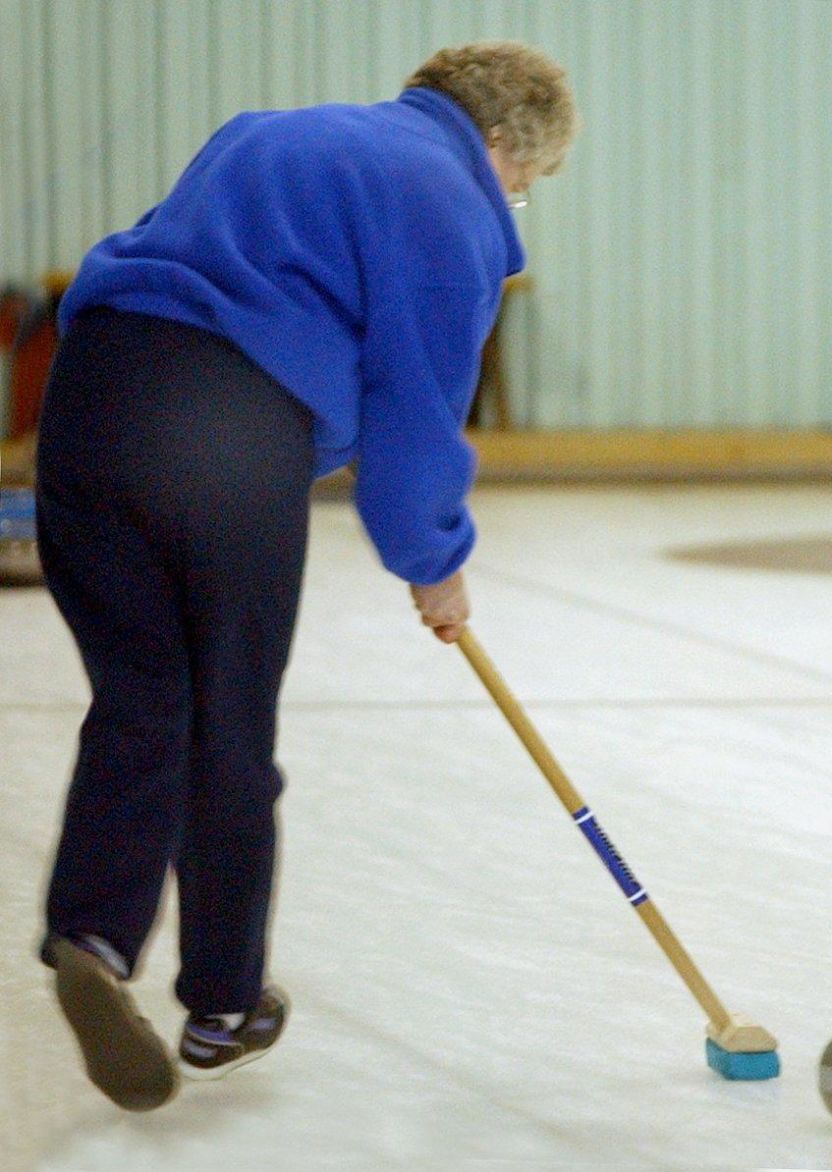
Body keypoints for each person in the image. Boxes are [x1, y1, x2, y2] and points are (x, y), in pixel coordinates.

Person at [36, 41, 578, 1111]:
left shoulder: (270, 132)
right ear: (504, 141)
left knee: (144, 701)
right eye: (532, 176)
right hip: (228, 430)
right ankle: (224, 1003)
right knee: (229, 723)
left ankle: (92, 932)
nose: (519, 197)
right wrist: (434, 559)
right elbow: (414, 403)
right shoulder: (451, 199)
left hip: (90, 398)